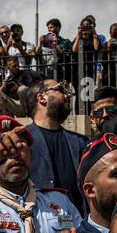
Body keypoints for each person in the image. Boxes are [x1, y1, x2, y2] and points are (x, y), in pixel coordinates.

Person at [24, 78, 88, 212]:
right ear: (42, 98)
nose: (67, 95)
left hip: (78, 223)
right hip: (39, 222)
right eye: (60, 90)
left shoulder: (80, 142)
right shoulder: (22, 139)